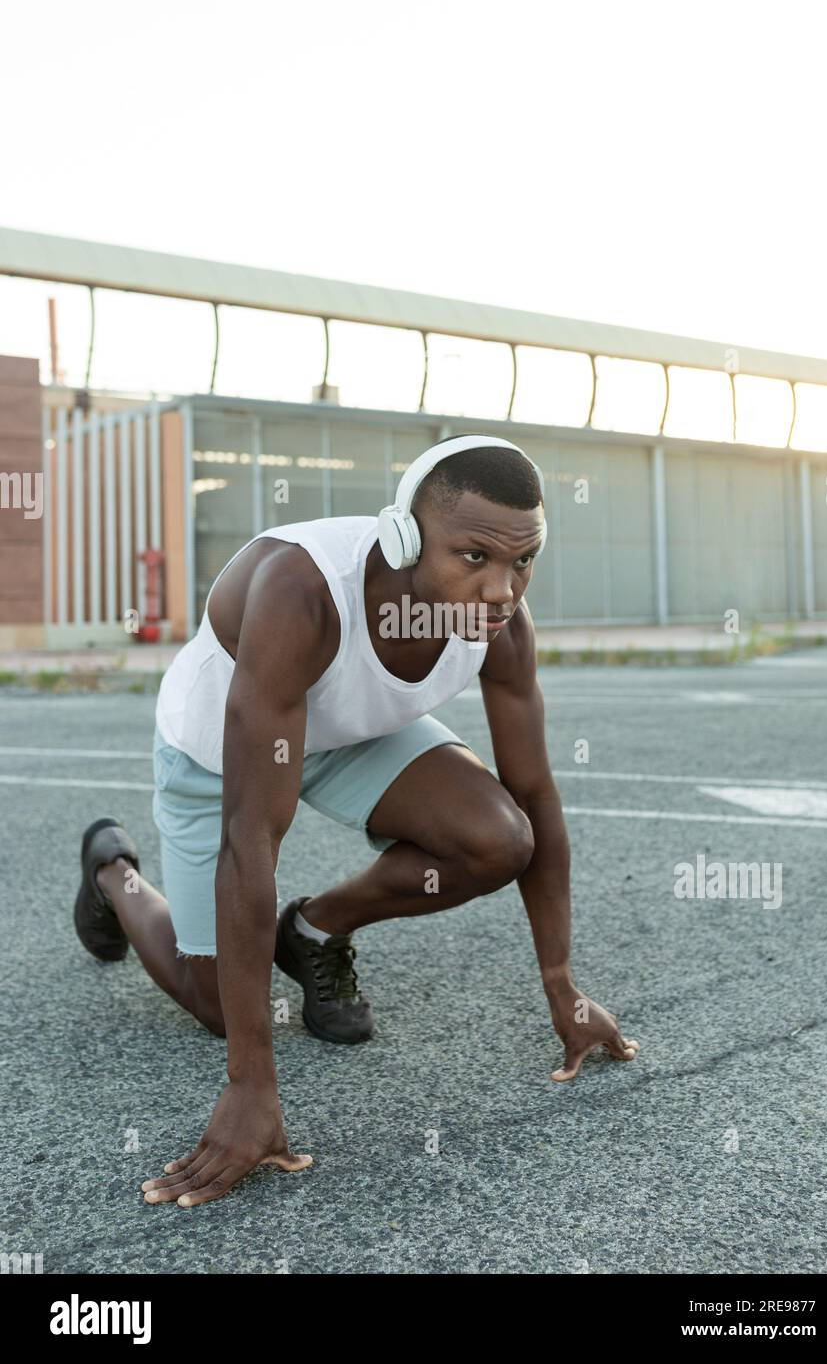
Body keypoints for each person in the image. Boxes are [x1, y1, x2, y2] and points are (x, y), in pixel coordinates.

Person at [74, 433, 639, 1209]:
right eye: (474, 557)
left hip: (353, 736)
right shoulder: (300, 593)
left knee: (500, 838)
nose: (502, 589)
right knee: (214, 1006)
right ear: (405, 535)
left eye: (523, 561)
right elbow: (251, 842)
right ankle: (114, 874)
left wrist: (562, 986)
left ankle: (311, 930)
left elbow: (535, 794)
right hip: (222, 747)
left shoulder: (500, 623)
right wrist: (251, 1085)